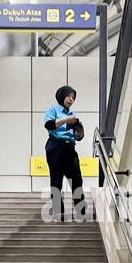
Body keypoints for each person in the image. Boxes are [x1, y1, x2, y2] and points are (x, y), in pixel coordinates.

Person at [43, 85, 86, 222]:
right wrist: (66, 120)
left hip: (70, 148)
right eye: (68, 96)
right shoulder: (53, 109)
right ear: (62, 96)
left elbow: (78, 135)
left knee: (77, 180)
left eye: (73, 97)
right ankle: (58, 213)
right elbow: (48, 125)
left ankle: (81, 212)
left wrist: (79, 129)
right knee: (56, 181)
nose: (71, 99)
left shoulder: (73, 115)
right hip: (55, 146)